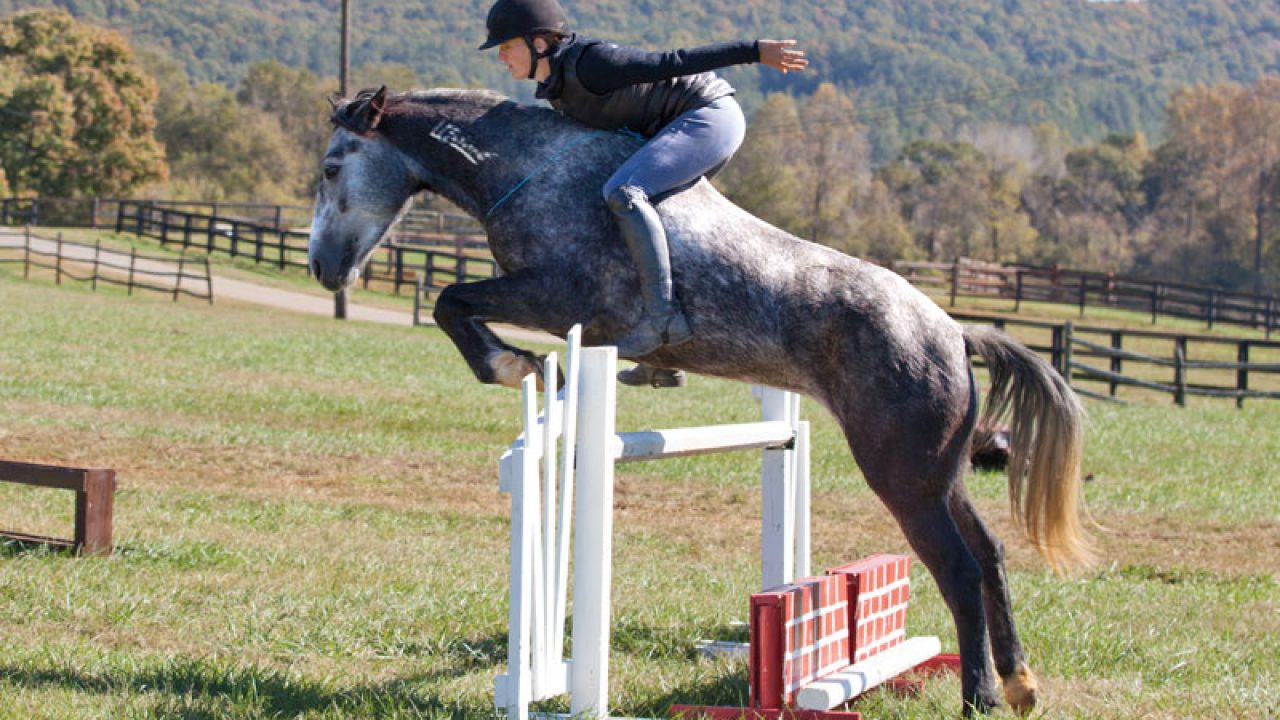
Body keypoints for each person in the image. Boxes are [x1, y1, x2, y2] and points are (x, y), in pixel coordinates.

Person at [479, 0, 807, 384]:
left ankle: (662, 320)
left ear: (538, 43)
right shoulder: (557, 86)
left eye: (506, 46)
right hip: (676, 129)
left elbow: (673, 61)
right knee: (622, 222)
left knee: (625, 193)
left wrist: (753, 51)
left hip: (708, 116)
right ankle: (663, 359)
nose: (500, 56)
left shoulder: (592, 64)